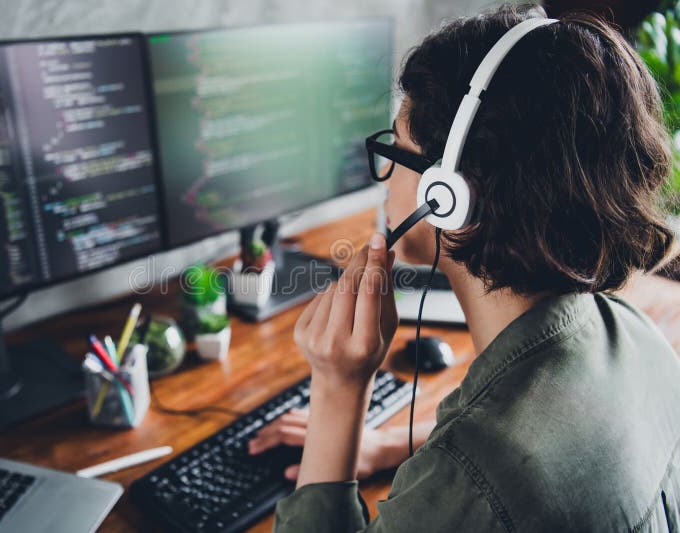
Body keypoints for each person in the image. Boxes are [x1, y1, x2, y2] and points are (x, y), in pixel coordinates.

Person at [248, 4, 680, 531]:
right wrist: (390, 446)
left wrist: (338, 389)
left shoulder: (473, 483)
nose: (385, 181)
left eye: (398, 151)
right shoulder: (630, 331)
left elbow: (485, 473)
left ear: (448, 196)